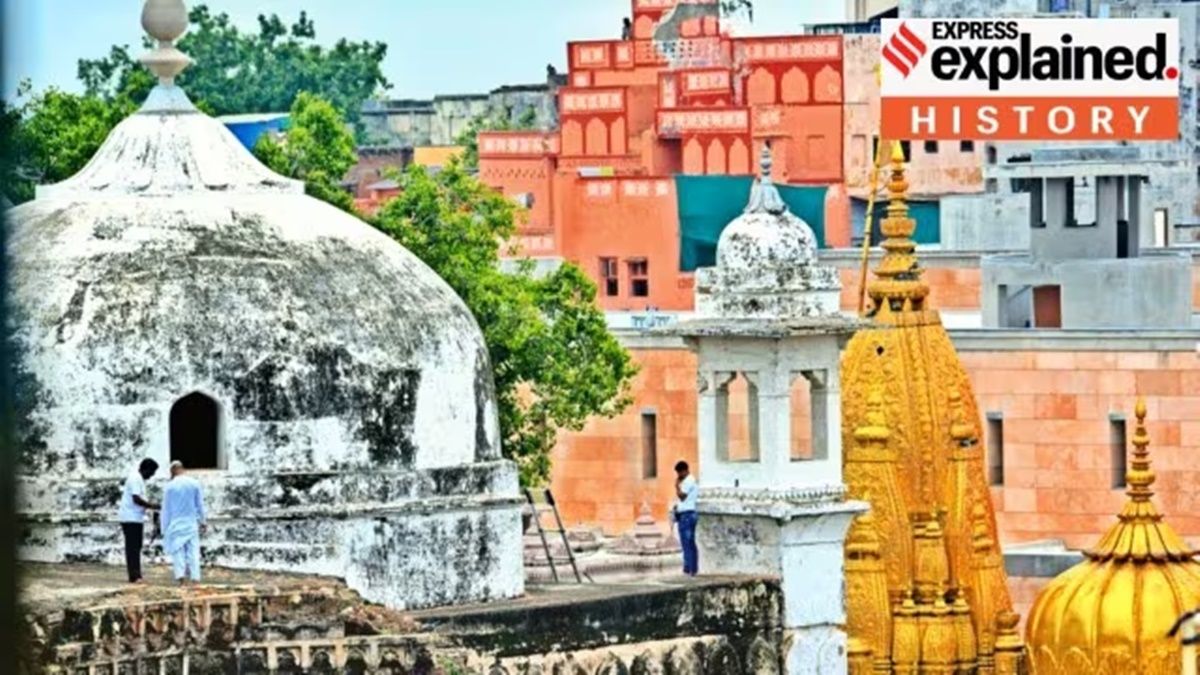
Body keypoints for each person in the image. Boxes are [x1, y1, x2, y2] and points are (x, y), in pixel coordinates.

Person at [160, 461, 207, 585]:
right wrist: (203, 521)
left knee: (178, 552)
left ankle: (182, 581)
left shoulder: (169, 486)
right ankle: (195, 580)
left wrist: (163, 528)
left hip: (175, 524)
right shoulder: (194, 483)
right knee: (193, 552)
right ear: (182, 469)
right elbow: (200, 504)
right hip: (191, 523)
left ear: (173, 470)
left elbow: (166, 509)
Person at [118, 458, 160, 583]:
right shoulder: (135, 478)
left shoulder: (138, 479)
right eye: (152, 472)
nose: (152, 475)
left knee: (136, 546)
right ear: (146, 469)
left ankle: (136, 574)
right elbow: (136, 499)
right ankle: (134, 576)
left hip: (135, 517)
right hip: (131, 518)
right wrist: (152, 506)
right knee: (133, 547)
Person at [673, 460, 699, 576]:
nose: (678, 476)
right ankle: (693, 569)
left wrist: (677, 486)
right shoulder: (691, 481)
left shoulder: (688, 481)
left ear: (683, 471)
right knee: (690, 543)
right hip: (688, 514)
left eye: (679, 473)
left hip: (686, 516)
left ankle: (688, 569)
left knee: (686, 543)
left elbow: (682, 496)